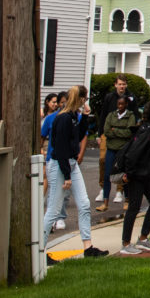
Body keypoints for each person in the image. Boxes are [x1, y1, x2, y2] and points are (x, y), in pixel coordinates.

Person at [44, 85, 107, 257]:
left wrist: (85, 116)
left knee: (84, 204)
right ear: (79, 98)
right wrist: (66, 176)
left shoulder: (73, 116)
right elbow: (60, 149)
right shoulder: (63, 118)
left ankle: (88, 247)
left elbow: (78, 136)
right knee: (54, 209)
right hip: (59, 164)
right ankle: (40, 251)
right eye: (85, 99)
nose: (85, 102)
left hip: (70, 163)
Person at [116, 102, 150, 254]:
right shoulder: (146, 131)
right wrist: (129, 174)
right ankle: (126, 243)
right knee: (134, 208)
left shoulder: (147, 130)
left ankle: (143, 238)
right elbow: (133, 154)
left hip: (146, 174)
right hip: (137, 175)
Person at [98, 94, 138, 212]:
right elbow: (106, 131)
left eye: (122, 104)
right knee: (107, 175)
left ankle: (127, 200)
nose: (120, 106)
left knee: (123, 175)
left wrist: (114, 130)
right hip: (111, 148)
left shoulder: (130, 116)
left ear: (126, 104)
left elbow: (129, 132)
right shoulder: (111, 115)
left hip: (123, 150)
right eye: (118, 104)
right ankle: (105, 202)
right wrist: (120, 131)